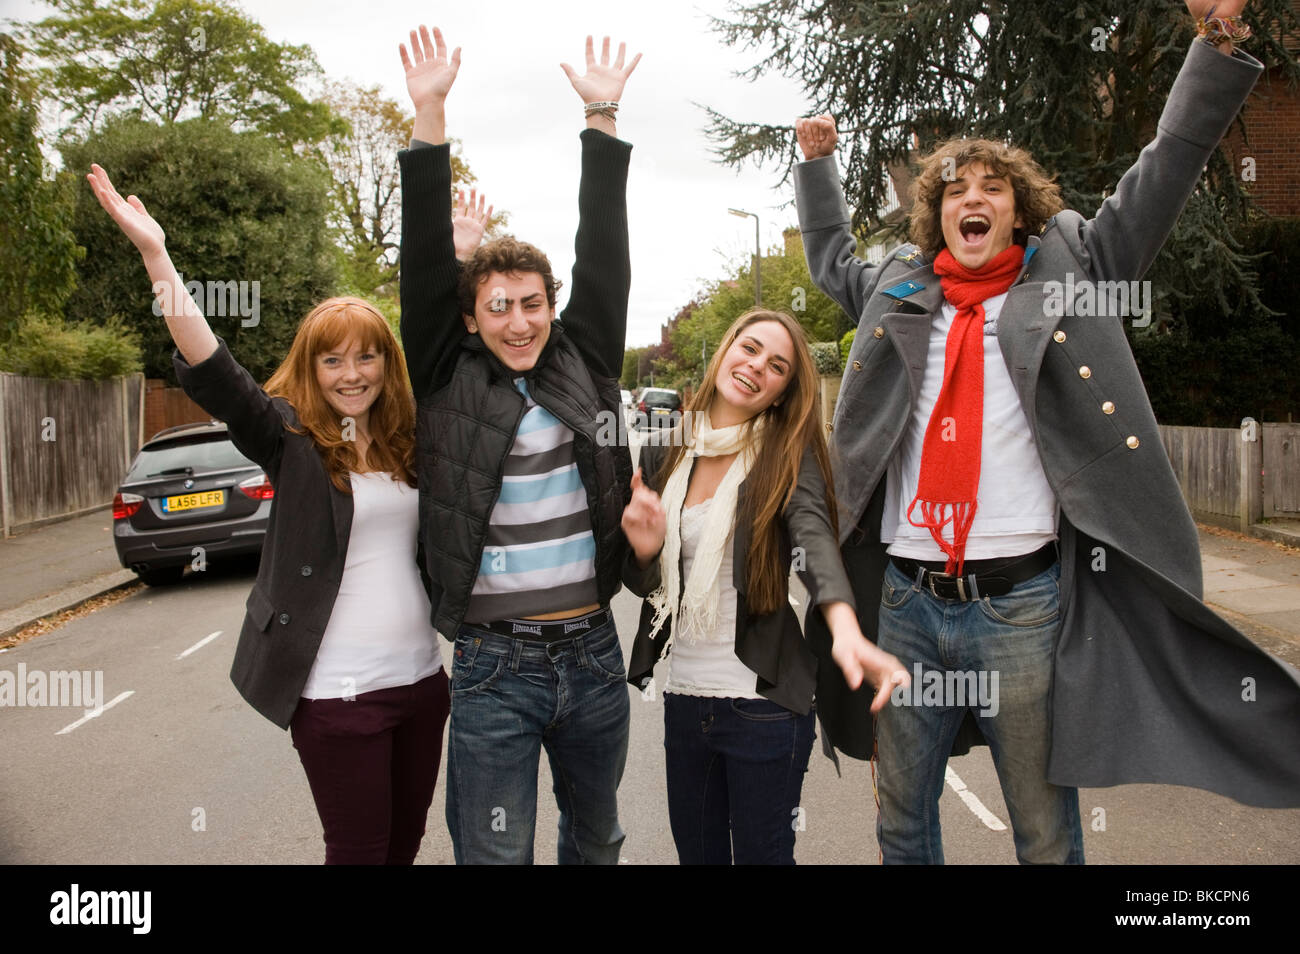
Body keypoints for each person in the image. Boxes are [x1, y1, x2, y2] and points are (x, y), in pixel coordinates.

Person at [793, 0, 1300, 865]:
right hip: (906, 603)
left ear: (1020, 210)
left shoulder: (1074, 266)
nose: (973, 198)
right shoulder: (899, 289)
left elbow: (1164, 168)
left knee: (1042, 830)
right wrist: (816, 163)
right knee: (902, 821)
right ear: (938, 214)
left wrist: (1215, 43)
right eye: (956, 190)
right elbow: (831, 253)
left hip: (1024, 605)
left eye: (992, 187)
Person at [85, 166, 450, 865]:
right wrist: (156, 256)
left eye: (367, 357)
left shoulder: (410, 446)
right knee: (359, 851)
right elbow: (213, 367)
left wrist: (448, 252)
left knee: (404, 846)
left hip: (422, 684)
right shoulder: (289, 439)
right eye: (333, 360)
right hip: (339, 696)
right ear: (311, 369)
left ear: (387, 365)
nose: (352, 374)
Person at [397, 25, 640, 864]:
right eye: (498, 306)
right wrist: (430, 113)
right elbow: (424, 263)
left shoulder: (584, 358)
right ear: (471, 318)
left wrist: (601, 117)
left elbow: (602, 247)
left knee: (598, 838)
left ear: (552, 305)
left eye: (532, 302)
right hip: (495, 668)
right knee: (496, 854)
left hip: (593, 651)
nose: (519, 320)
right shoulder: (446, 374)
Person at [620, 309, 911, 864]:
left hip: (763, 706)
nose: (757, 366)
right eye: (749, 348)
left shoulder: (785, 455)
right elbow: (643, 583)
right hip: (685, 700)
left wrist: (846, 630)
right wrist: (644, 546)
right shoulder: (670, 449)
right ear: (726, 347)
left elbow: (814, 540)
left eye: (776, 366)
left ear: (782, 392)